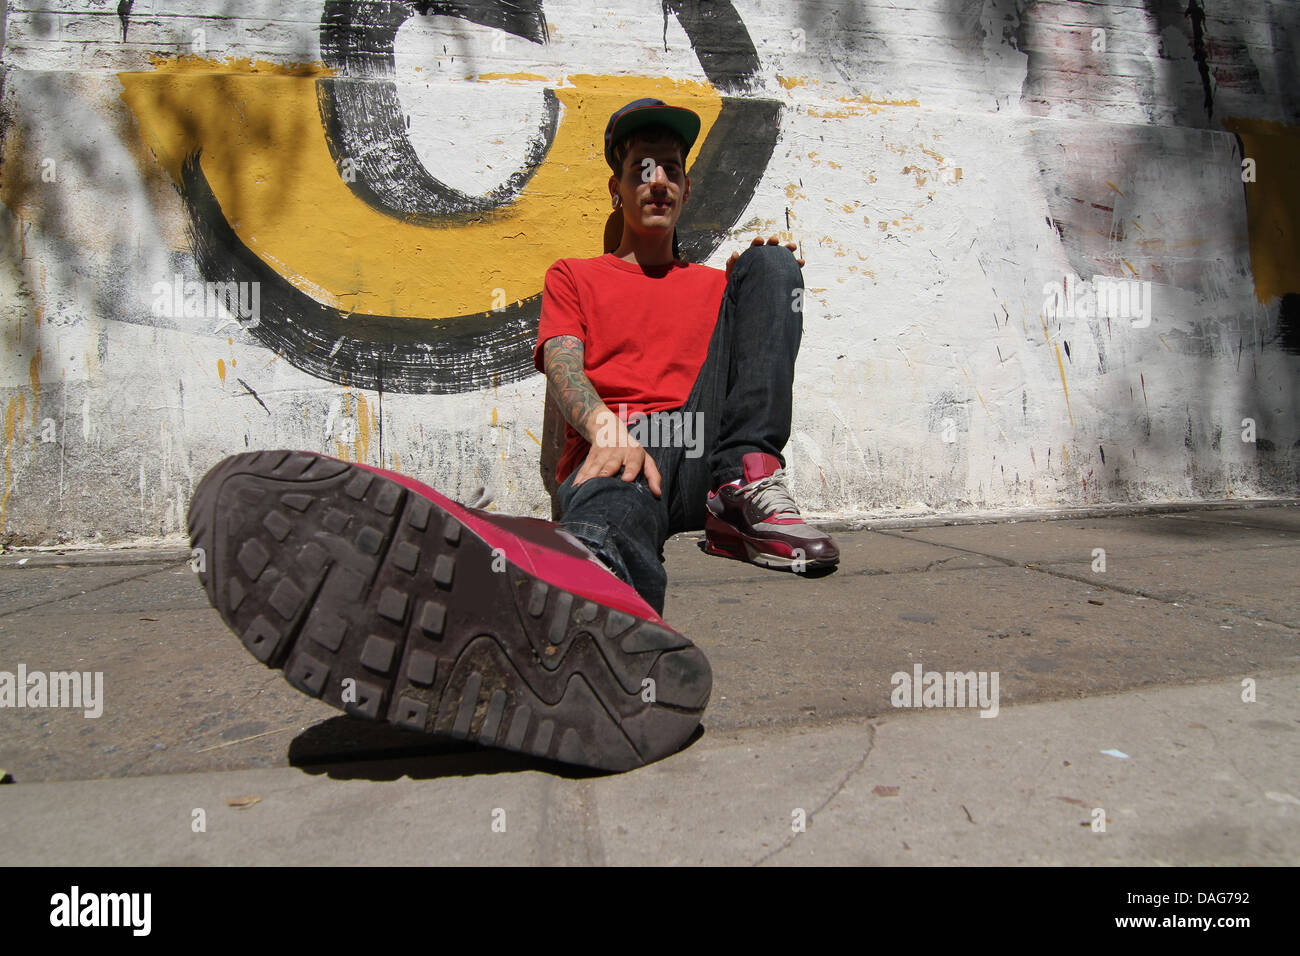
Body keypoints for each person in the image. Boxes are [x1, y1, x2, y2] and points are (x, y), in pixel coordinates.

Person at [538, 97, 839, 616]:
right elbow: (563, 365)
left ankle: (745, 487)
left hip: (707, 455)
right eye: (642, 170)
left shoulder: (717, 286)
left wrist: (763, 274)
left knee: (771, 262)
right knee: (604, 529)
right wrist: (606, 432)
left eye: (672, 171)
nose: (659, 182)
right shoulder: (573, 275)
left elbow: (745, 359)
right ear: (617, 189)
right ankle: (590, 614)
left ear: (686, 189)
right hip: (621, 451)